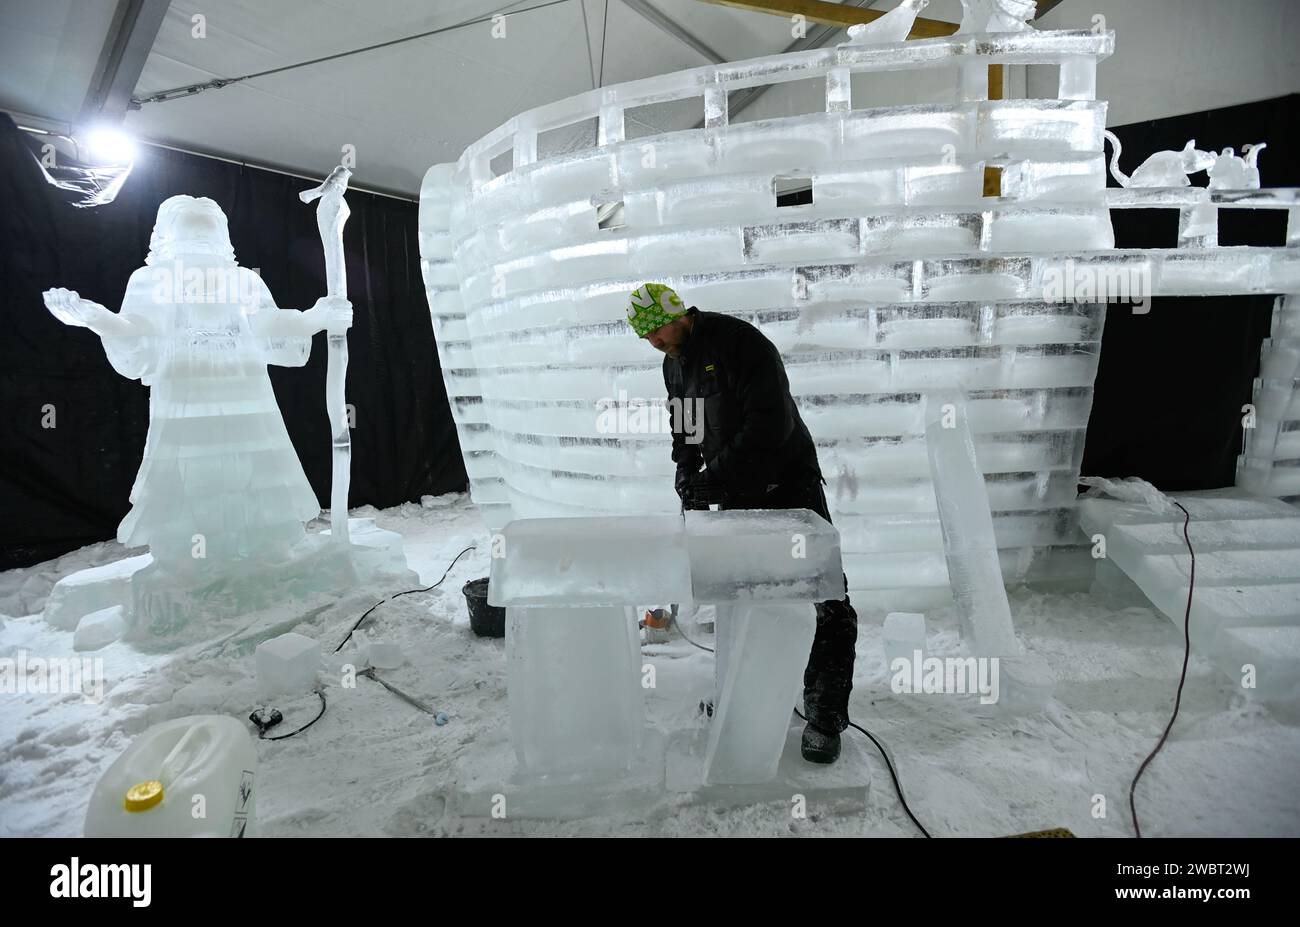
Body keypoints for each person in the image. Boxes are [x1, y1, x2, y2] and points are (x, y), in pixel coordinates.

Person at [42, 195, 352, 573]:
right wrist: (98, 319)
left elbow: (266, 327)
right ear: (167, 234)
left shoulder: (244, 281)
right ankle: (190, 554)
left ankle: (266, 543)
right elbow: (141, 333)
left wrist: (313, 319)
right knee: (193, 471)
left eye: (207, 228)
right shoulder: (152, 280)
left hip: (246, 394)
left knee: (254, 464)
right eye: (190, 228)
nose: (200, 237)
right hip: (185, 399)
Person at [627, 282, 858, 763]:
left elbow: (772, 424)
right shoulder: (674, 364)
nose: (653, 343)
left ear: (676, 315)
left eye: (655, 331)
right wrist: (688, 473)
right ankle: (748, 698)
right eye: (643, 336)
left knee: (825, 601)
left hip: (789, 488)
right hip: (735, 493)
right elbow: (686, 427)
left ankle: (824, 715)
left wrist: (717, 475)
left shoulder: (739, 343)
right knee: (743, 597)